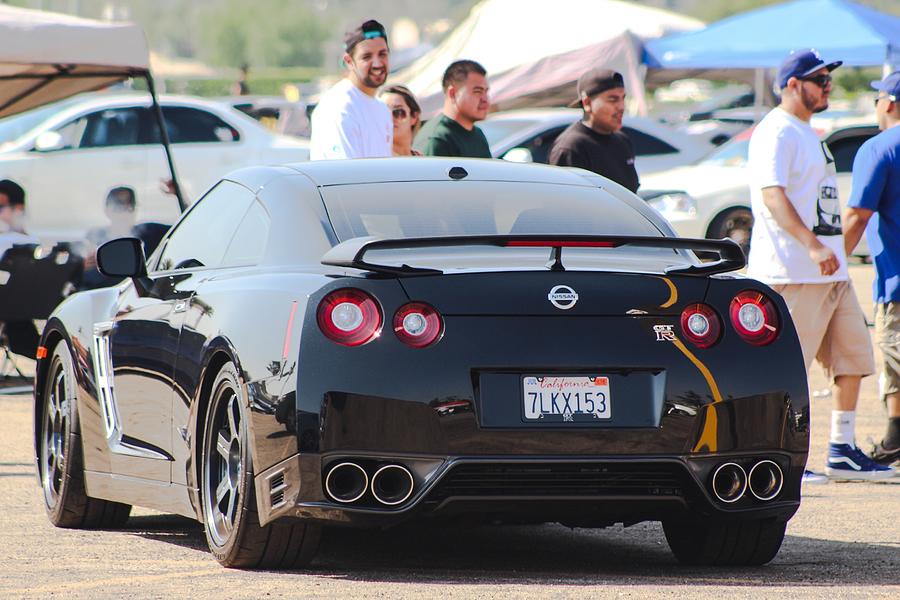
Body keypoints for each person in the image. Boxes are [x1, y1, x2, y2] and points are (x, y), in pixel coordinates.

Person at [746, 49, 893, 481]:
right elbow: (772, 196)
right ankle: (778, 454)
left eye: (829, 79)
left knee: (854, 358)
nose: (827, 86)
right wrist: (812, 246)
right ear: (793, 84)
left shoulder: (808, 132)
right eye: (820, 79)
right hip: (791, 270)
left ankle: (842, 449)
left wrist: (831, 252)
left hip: (830, 273)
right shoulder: (776, 131)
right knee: (788, 368)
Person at [843, 71, 900, 468]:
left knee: (893, 354)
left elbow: (857, 216)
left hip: (897, 280)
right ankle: (895, 438)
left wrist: (831, 268)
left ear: (890, 102)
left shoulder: (880, 148)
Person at [309, 19, 392, 160]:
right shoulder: (339, 108)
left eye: (382, 54)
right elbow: (346, 176)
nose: (377, 63)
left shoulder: (382, 108)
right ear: (349, 62)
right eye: (367, 57)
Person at [548, 69, 639, 193]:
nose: (621, 107)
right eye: (613, 99)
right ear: (587, 103)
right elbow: (564, 203)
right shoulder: (571, 147)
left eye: (623, 98)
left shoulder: (622, 140)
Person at [413, 60, 491, 158]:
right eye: (477, 91)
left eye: (486, 92)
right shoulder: (437, 139)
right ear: (453, 93)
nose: (485, 99)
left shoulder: (478, 134)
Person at [0, 179, 40, 358]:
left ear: (18, 208)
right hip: (20, 315)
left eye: (1, 207)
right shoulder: (35, 243)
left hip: (12, 310)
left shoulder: (14, 242)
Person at [380, 85, 422, 156]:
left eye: (398, 112)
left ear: (414, 116)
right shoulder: (375, 161)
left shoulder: (422, 160)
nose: (390, 118)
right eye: (383, 112)